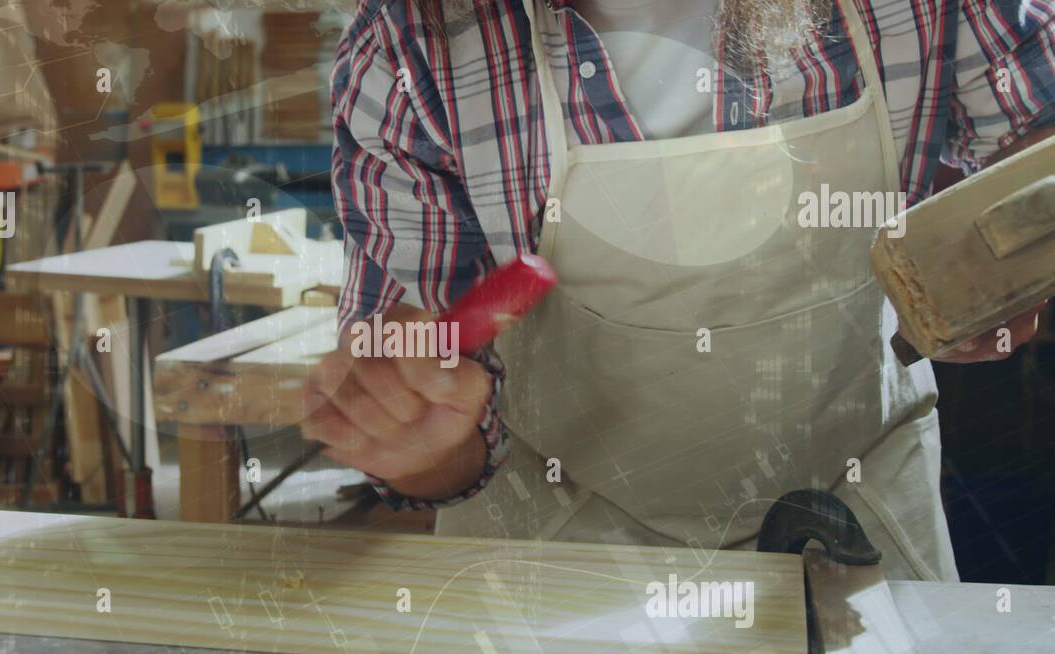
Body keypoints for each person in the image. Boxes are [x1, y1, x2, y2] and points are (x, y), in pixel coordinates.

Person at [305, 0, 1055, 581]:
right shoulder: (411, 45)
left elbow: (1035, 134)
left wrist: (1003, 262)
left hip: (856, 510)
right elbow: (419, 409)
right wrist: (415, 436)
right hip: (556, 544)